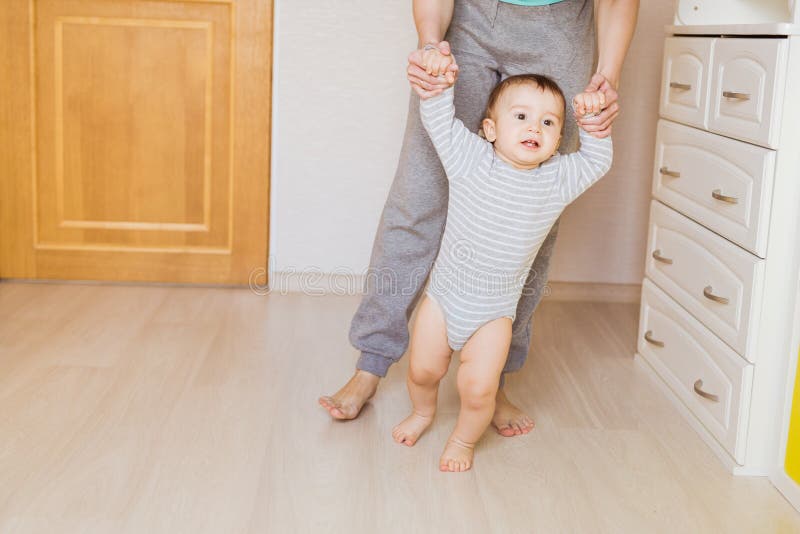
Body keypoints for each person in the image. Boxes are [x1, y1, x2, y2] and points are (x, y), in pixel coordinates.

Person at [319, 0, 639, 434]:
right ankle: (371, 364)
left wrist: (610, 75)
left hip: (562, 28)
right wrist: (431, 46)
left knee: (532, 215)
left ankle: (495, 380)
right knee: (417, 200)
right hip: (469, 18)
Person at [391, 67, 612, 471]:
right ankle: (422, 413)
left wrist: (593, 120)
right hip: (443, 299)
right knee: (423, 370)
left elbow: (597, 161)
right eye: (522, 116)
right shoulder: (470, 159)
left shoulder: (557, 179)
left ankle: (462, 440)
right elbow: (438, 119)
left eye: (549, 122)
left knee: (478, 390)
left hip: (494, 313)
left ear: (558, 142)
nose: (535, 127)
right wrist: (439, 83)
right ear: (490, 129)